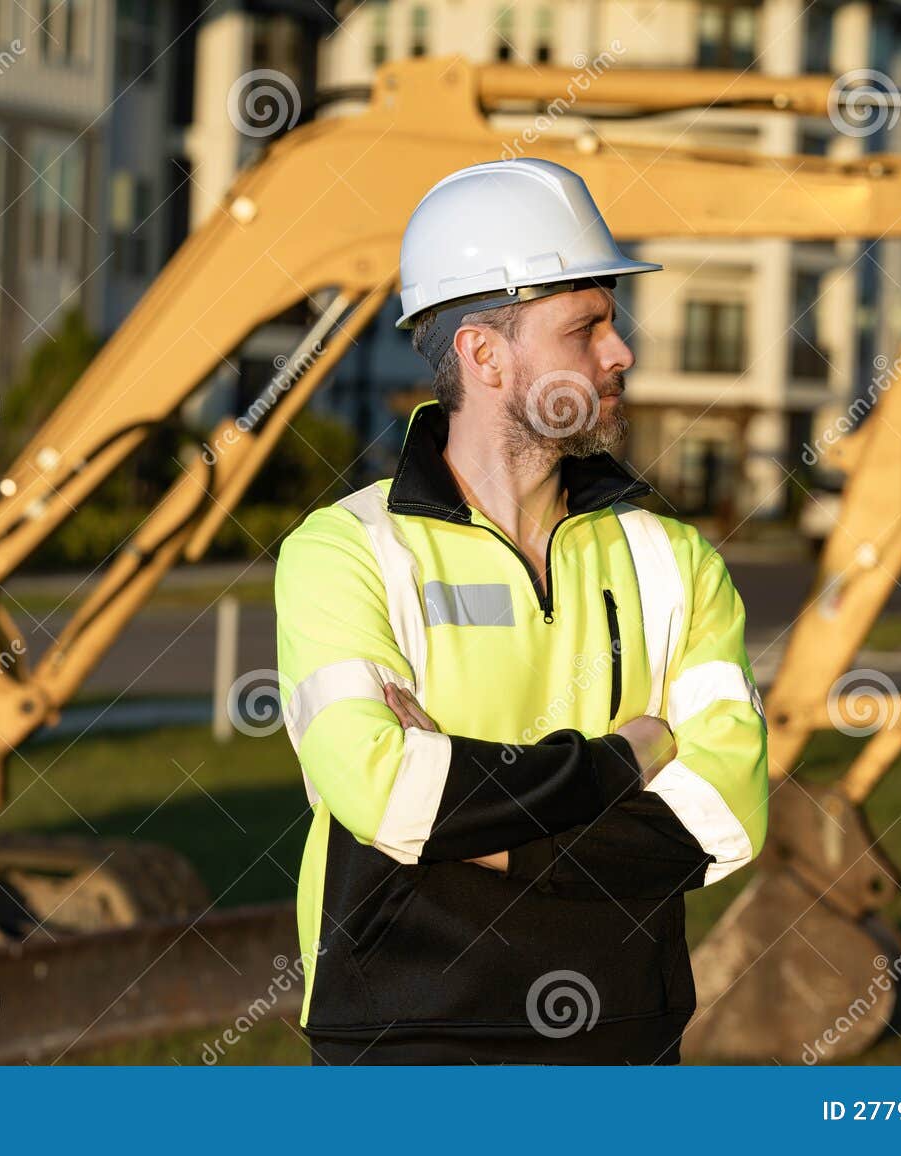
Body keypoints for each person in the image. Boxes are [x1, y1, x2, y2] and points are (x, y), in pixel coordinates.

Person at [274, 158, 768, 1065]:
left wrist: (479, 836)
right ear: (484, 354)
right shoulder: (344, 550)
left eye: (612, 321)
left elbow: (723, 819)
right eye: (585, 327)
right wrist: (626, 759)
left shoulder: (676, 559)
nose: (620, 352)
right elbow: (389, 796)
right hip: (405, 1041)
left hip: (622, 1036)